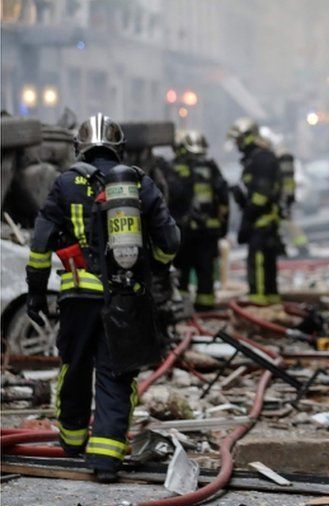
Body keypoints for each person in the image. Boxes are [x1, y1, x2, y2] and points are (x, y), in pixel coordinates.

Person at [25, 113, 180, 482]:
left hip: (77, 296)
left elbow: (40, 245)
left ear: (80, 148)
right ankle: (106, 460)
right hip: (124, 299)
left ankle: (73, 441)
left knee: (74, 367)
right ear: (119, 148)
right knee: (115, 373)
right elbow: (170, 242)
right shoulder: (137, 183)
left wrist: (35, 293)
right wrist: (152, 268)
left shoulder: (64, 184)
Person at [167, 130, 229, 310]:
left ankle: (185, 307)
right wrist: (222, 227)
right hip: (207, 231)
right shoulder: (211, 167)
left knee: (182, 269)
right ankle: (205, 308)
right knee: (205, 271)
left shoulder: (173, 169)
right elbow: (223, 199)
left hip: (185, 230)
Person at [227, 118, 281, 305]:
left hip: (263, 220)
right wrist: (240, 196)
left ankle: (259, 303)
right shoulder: (254, 159)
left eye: (239, 140)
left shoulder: (263, 159)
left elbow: (261, 197)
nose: (237, 145)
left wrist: (247, 221)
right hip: (259, 219)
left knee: (258, 263)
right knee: (265, 264)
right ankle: (269, 301)